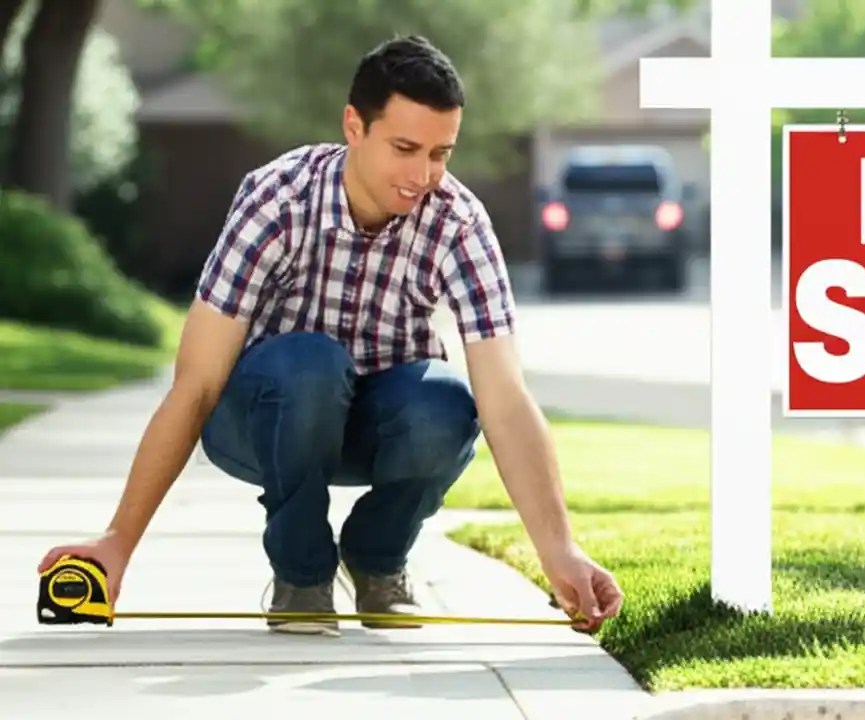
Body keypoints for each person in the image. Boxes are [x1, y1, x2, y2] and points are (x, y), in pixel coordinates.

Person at [36, 34, 623, 637]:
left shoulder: (458, 223)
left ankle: (376, 561)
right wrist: (118, 541)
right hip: (261, 421)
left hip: (376, 428)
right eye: (404, 148)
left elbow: (507, 399)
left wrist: (561, 553)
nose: (422, 175)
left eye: (440, 153)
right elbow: (196, 383)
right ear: (353, 125)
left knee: (450, 401)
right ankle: (301, 575)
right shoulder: (278, 199)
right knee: (310, 363)